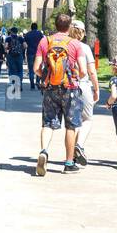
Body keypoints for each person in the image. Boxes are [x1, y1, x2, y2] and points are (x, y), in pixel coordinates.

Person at [32, 13, 88, 176]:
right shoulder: (75, 44)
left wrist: (46, 77)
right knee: (71, 126)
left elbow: (36, 67)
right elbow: (83, 70)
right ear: (69, 27)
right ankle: (69, 163)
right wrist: (76, 76)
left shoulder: (45, 41)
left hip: (50, 88)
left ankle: (44, 151)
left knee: (48, 123)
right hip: (70, 88)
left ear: (55, 25)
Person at [69, 19, 98, 166]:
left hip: (68, 86)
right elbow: (91, 71)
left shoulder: (65, 45)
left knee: (73, 122)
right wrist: (97, 88)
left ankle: (71, 157)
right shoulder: (85, 48)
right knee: (87, 119)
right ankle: (79, 145)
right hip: (83, 85)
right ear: (82, 32)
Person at [23, 23, 43, 91]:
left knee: (31, 69)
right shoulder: (40, 34)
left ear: (31, 27)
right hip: (38, 53)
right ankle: (37, 81)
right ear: (37, 27)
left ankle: (32, 85)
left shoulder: (27, 34)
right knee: (38, 68)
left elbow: (25, 45)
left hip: (30, 53)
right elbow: (43, 43)